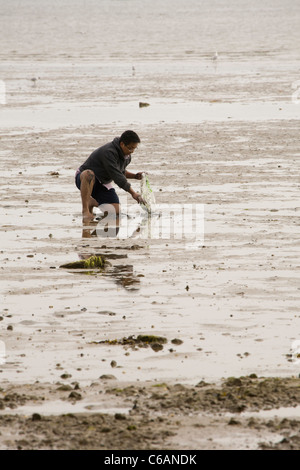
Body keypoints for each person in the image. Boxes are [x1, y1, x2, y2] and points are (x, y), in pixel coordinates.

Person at [75, 130, 145, 223]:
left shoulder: (127, 156)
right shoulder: (109, 152)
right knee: (89, 174)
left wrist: (135, 176)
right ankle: (85, 210)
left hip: (103, 182)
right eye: (130, 148)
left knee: (115, 211)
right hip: (84, 179)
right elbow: (116, 176)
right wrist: (133, 193)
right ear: (122, 144)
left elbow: (120, 172)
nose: (132, 152)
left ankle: (91, 202)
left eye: (134, 149)